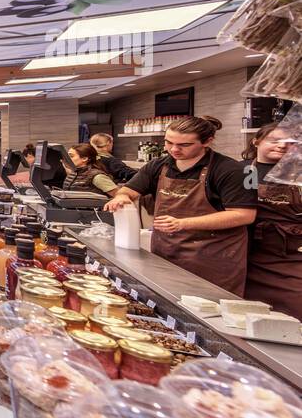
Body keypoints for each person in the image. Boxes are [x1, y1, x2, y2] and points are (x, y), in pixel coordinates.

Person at [104, 116, 256, 296]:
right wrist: (121, 197)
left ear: (207, 141)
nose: (174, 149)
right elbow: (129, 190)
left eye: (184, 145)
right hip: (166, 252)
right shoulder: (158, 165)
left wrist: (183, 223)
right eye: (168, 142)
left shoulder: (234, 170)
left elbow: (244, 215)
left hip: (212, 259)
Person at [243, 123, 302, 319]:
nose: (282, 146)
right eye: (274, 141)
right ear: (256, 141)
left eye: (289, 142)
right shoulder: (242, 170)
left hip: (289, 254)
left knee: (294, 307)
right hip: (249, 251)